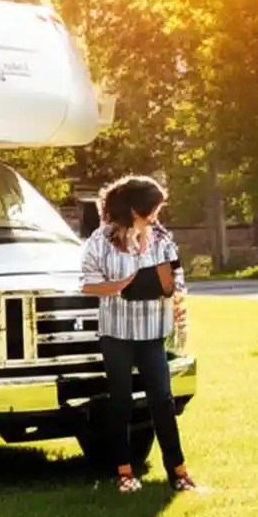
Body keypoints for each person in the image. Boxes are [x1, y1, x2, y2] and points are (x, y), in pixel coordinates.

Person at [79, 174, 196, 493]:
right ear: (134, 210)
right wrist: (124, 286)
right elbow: (87, 284)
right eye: (153, 208)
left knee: (162, 400)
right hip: (116, 333)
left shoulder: (161, 239)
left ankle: (179, 473)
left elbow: (176, 278)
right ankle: (125, 473)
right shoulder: (100, 241)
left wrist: (171, 293)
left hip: (152, 332)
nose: (156, 214)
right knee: (121, 402)